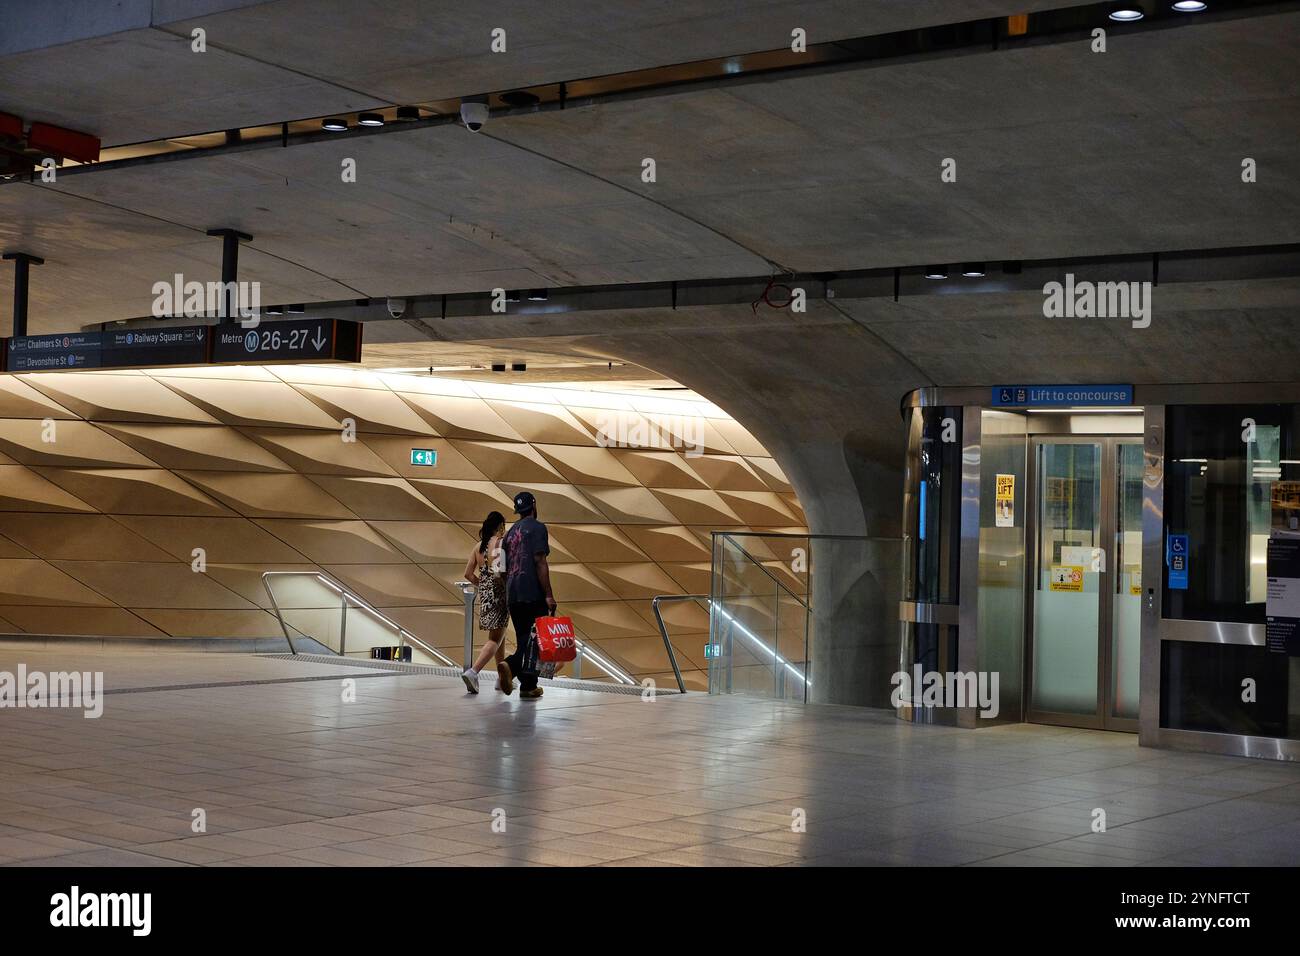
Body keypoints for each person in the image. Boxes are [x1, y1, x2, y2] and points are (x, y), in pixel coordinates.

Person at [498, 491, 556, 700]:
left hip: (513, 594)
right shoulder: (538, 528)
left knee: (525, 638)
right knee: (536, 641)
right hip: (533, 592)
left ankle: (528, 687)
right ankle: (511, 665)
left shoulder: (509, 533)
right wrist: (548, 594)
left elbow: (502, 569)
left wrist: (510, 590)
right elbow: (540, 561)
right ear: (534, 506)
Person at [460, 511, 508, 694]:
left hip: (486, 596)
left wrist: (483, 585)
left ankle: (501, 679)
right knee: (495, 639)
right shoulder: (498, 544)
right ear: (500, 526)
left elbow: (468, 574)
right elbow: (499, 573)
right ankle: (473, 672)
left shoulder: (477, 546)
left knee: (499, 637)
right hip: (499, 595)